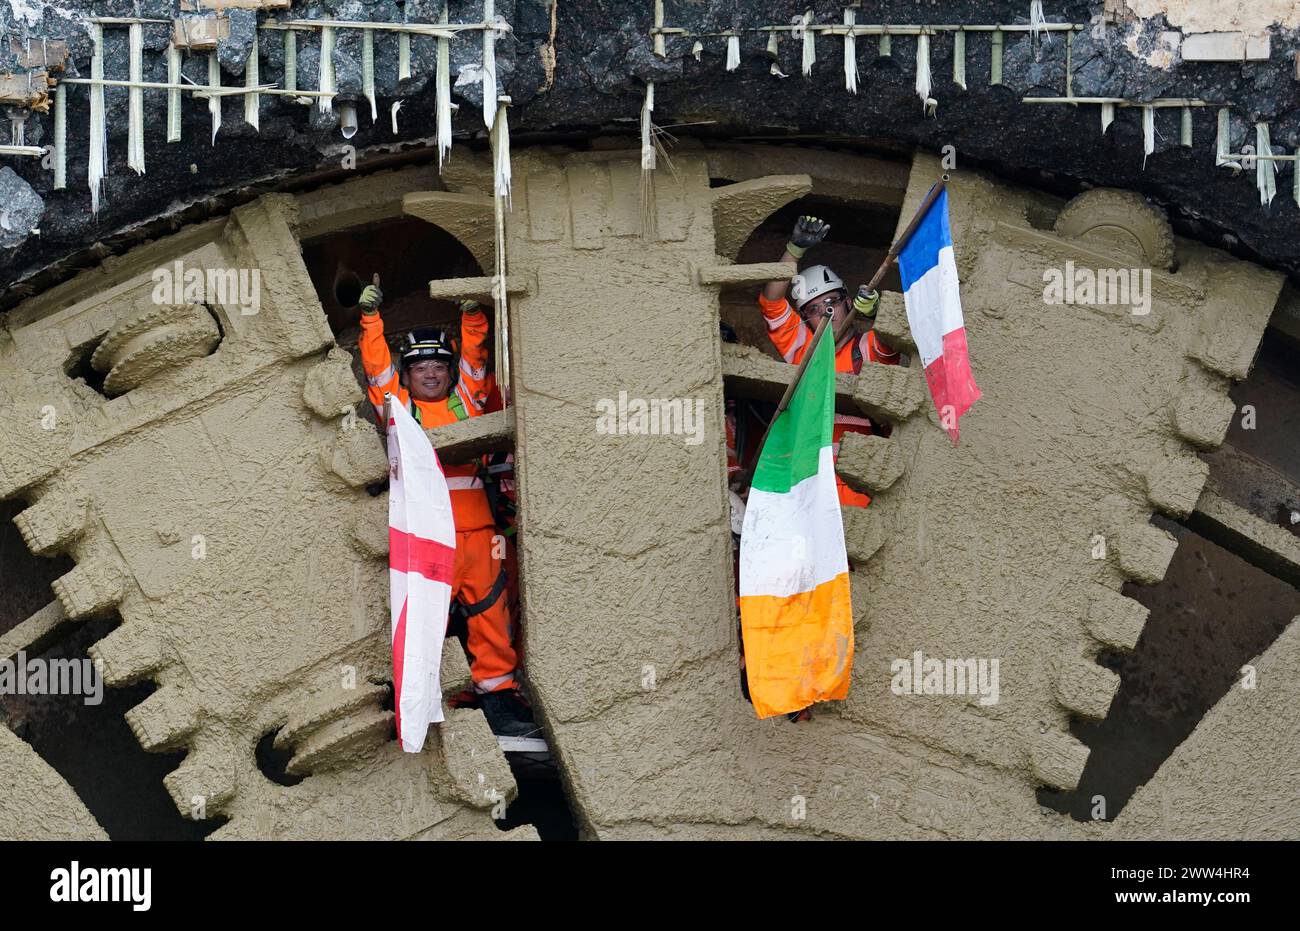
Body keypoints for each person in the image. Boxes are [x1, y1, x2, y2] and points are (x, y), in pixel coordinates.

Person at [357, 281, 537, 738]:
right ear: (409, 373)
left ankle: (499, 702)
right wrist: (371, 322)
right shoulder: (398, 410)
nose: (432, 373)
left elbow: (476, 362)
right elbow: (377, 370)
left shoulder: (468, 402)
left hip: (479, 534)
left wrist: (472, 318)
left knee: (492, 618)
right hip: (426, 539)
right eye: (421, 367)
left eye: (440, 364)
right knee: (427, 625)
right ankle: (433, 704)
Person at [758, 215, 900, 508]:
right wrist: (794, 250)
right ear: (805, 319)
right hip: (807, 484)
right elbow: (772, 302)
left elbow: (892, 337)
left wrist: (875, 313)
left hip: (859, 485)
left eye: (832, 301)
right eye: (813, 309)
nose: (826, 311)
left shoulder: (867, 347)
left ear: (848, 301)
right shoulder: (803, 351)